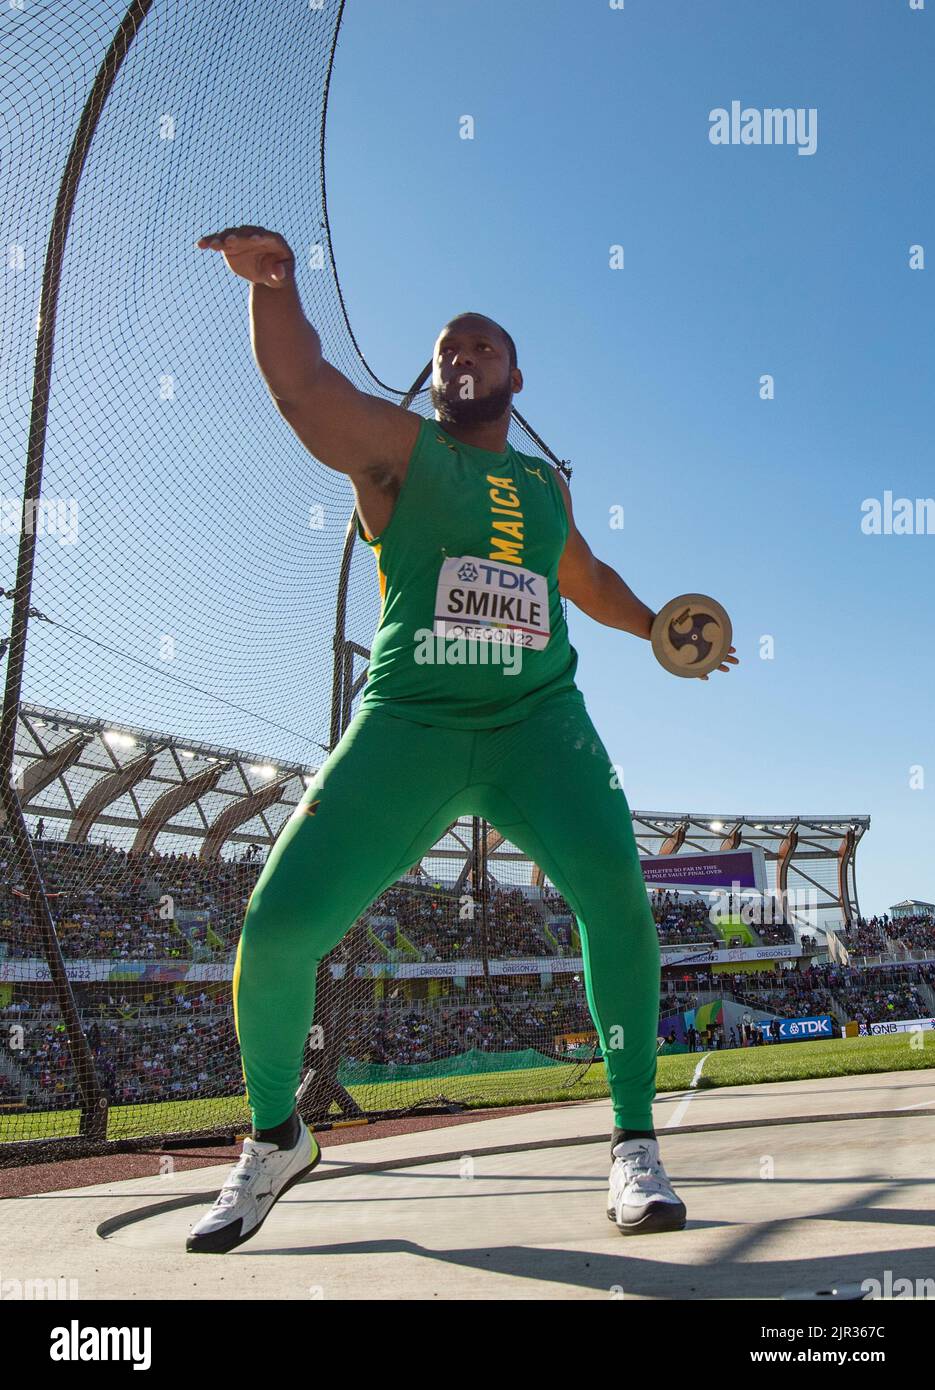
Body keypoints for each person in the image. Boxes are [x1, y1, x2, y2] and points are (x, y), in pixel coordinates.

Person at [186, 225, 738, 1254]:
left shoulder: (544, 486)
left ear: (514, 373)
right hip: (409, 726)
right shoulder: (398, 454)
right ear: (433, 377)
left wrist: (663, 625)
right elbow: (304, 391)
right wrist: (271, 287)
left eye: (480, 346)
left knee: (618, 901)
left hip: (540, 725)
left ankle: (630, 1143)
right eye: (447, 349)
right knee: (273, 930)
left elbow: (584, 579)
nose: (461, 358)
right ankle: (274, 1138)